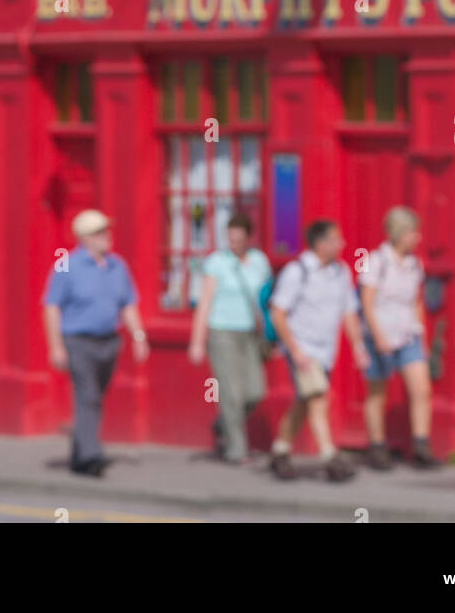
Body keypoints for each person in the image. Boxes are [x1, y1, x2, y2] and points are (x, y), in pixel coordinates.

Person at [43, 209, 149, 476]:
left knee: (94, 397)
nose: (106, 236)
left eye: (106, 231)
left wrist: (138, 337)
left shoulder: (117, 266)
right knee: (87, 395)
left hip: (109, 342)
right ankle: (91, 456)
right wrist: (55, 346)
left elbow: (128, 305)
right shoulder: (67, 265)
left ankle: (79, 454)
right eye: (100, 232)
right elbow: (51, 307)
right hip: (78, 341)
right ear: (85, 238)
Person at [269, 219, 369, 481]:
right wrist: (295, 351)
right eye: (337, 239)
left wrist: (358, 346)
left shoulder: (341, 272)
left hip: (326, 351)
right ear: (320, 244)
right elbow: (278, 313)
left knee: (303, 402)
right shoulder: (297, 271)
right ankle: (330, 457)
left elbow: (349, 312)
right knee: (318, 398)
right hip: (302, 348)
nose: (342, 244)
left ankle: (280, 450)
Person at [358, 205, 439, 469]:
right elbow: (367, 303)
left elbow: (416, 301)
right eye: (413, 233)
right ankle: (377, 447)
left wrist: (422, 335)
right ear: (399, 233)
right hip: (380, 333)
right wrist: (378, 337)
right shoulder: (376, 261)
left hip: (408, 333)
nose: (417, 238)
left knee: (421, 390)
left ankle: (421, 445)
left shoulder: (415, 264)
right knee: (378, 393)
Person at [188, 212, 272, 464]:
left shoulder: (260, 261)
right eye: (230, 238)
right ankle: (237, 449)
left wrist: (271, 334)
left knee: (255, 391)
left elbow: (268, 301)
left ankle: (224, 423)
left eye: (238, 239)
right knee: (230, 392)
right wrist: (197, 341)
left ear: (249, 237)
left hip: (250, 334)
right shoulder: (216, 262)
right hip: (221, 331)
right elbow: (205, 302)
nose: (233, 243)